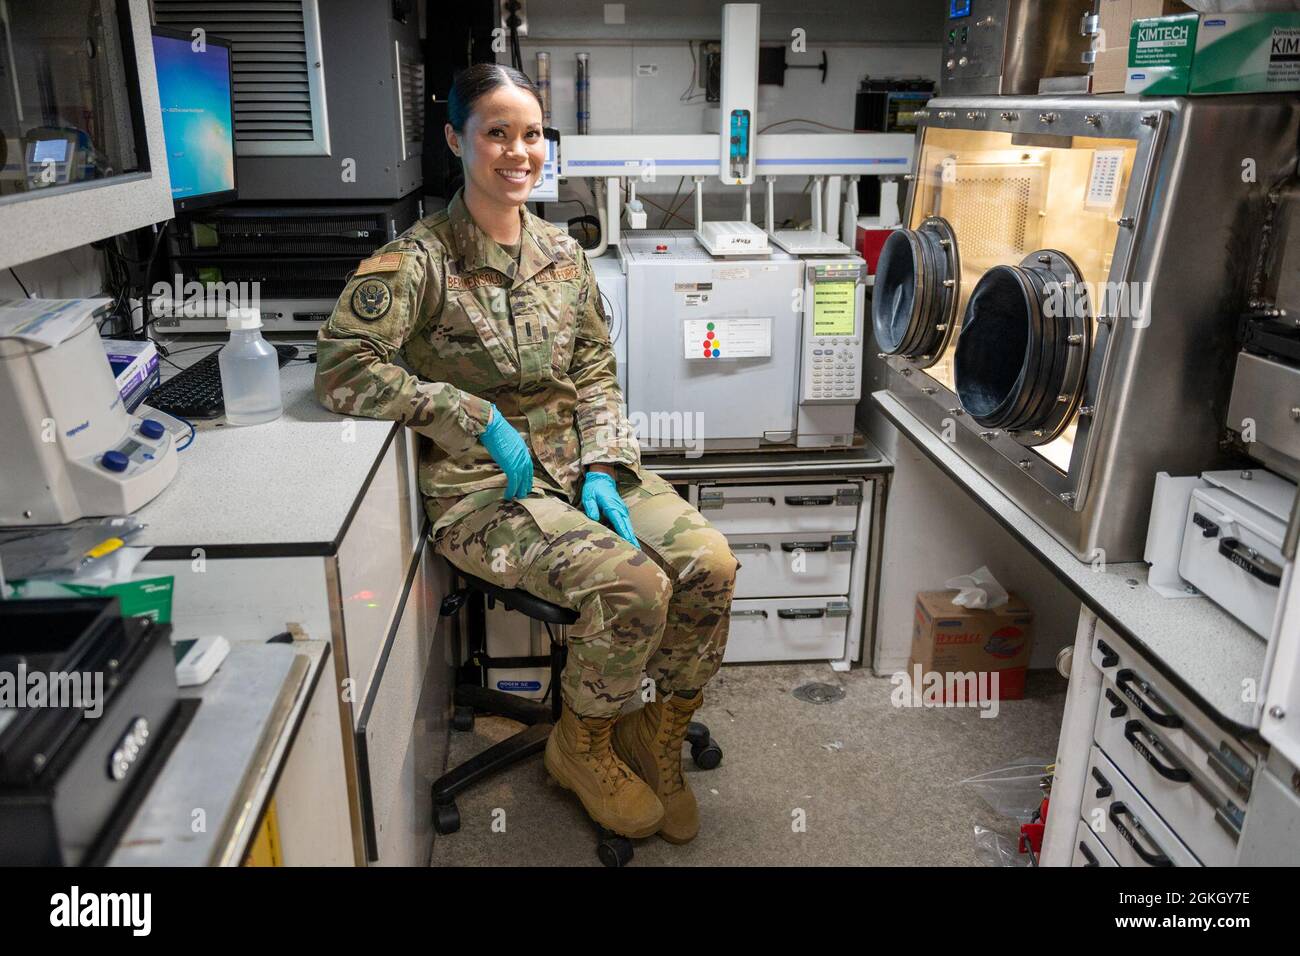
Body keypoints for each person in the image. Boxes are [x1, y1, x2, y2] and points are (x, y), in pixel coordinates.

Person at [314, 63, 739, 844]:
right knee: (636, 584)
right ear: (456, 140)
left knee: (711, 564)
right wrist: (470, 414)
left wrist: (606, 464)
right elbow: (341, 370)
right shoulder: (419, 261)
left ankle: (657, 731)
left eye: (533, 134)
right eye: (497, 133)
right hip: (487, 493)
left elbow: (593, 369)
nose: (519, 151)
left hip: (585, 467)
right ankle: (582, 749)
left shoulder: (563, 256)